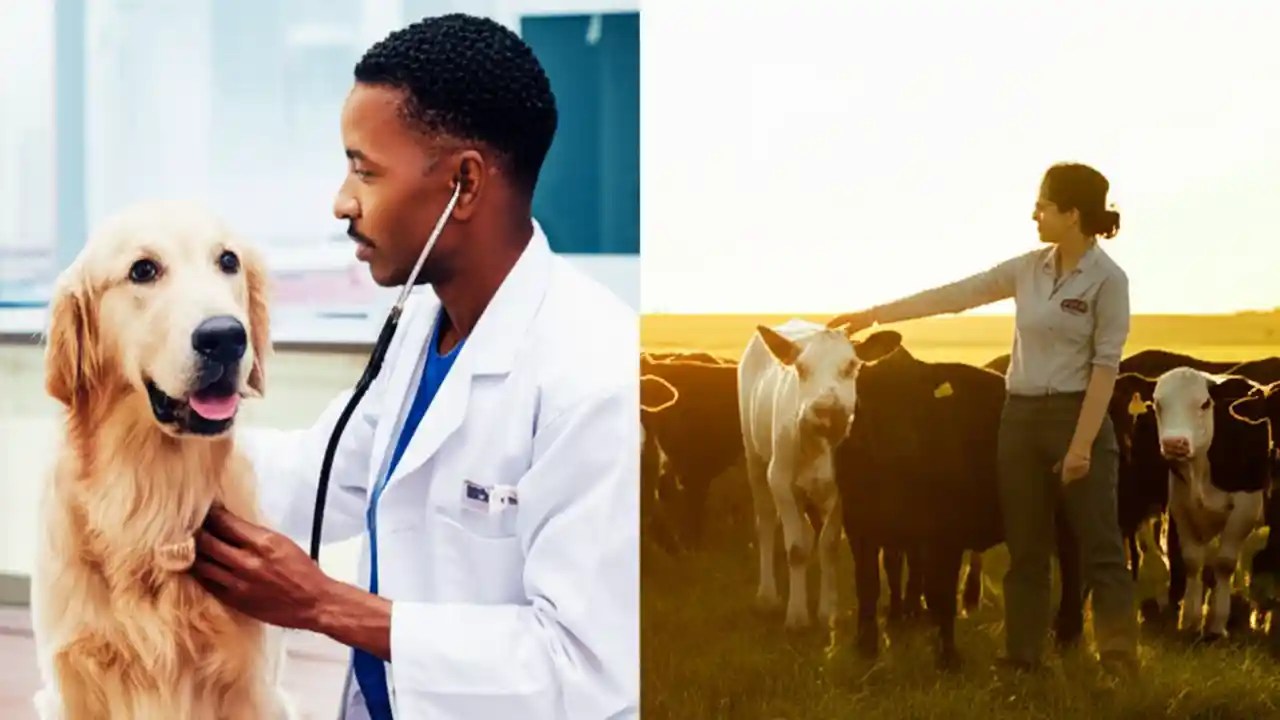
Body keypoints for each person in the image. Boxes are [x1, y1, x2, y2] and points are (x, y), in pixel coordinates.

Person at [187, 14, 638, 719]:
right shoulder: (424, 328)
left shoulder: (596, 375)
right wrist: (151, 440)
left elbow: (583, 666)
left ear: (463, 184)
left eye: (364, 170)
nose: (342, 201)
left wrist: (324, 605)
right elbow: (320, 473)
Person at [827, 162, 1140, 677]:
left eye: (1043, 204)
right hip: (1017, 418)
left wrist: (1083, 444)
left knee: (1099, 543)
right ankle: (1022, 656)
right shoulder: (1027, 268)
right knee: (1025, 543)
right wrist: (878, 314)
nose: (1034, 213)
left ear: (1072, 213)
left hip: (1077, 413)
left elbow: (1107, 366)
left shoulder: (1109, 280)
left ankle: (1118, 656)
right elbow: (958, 295)